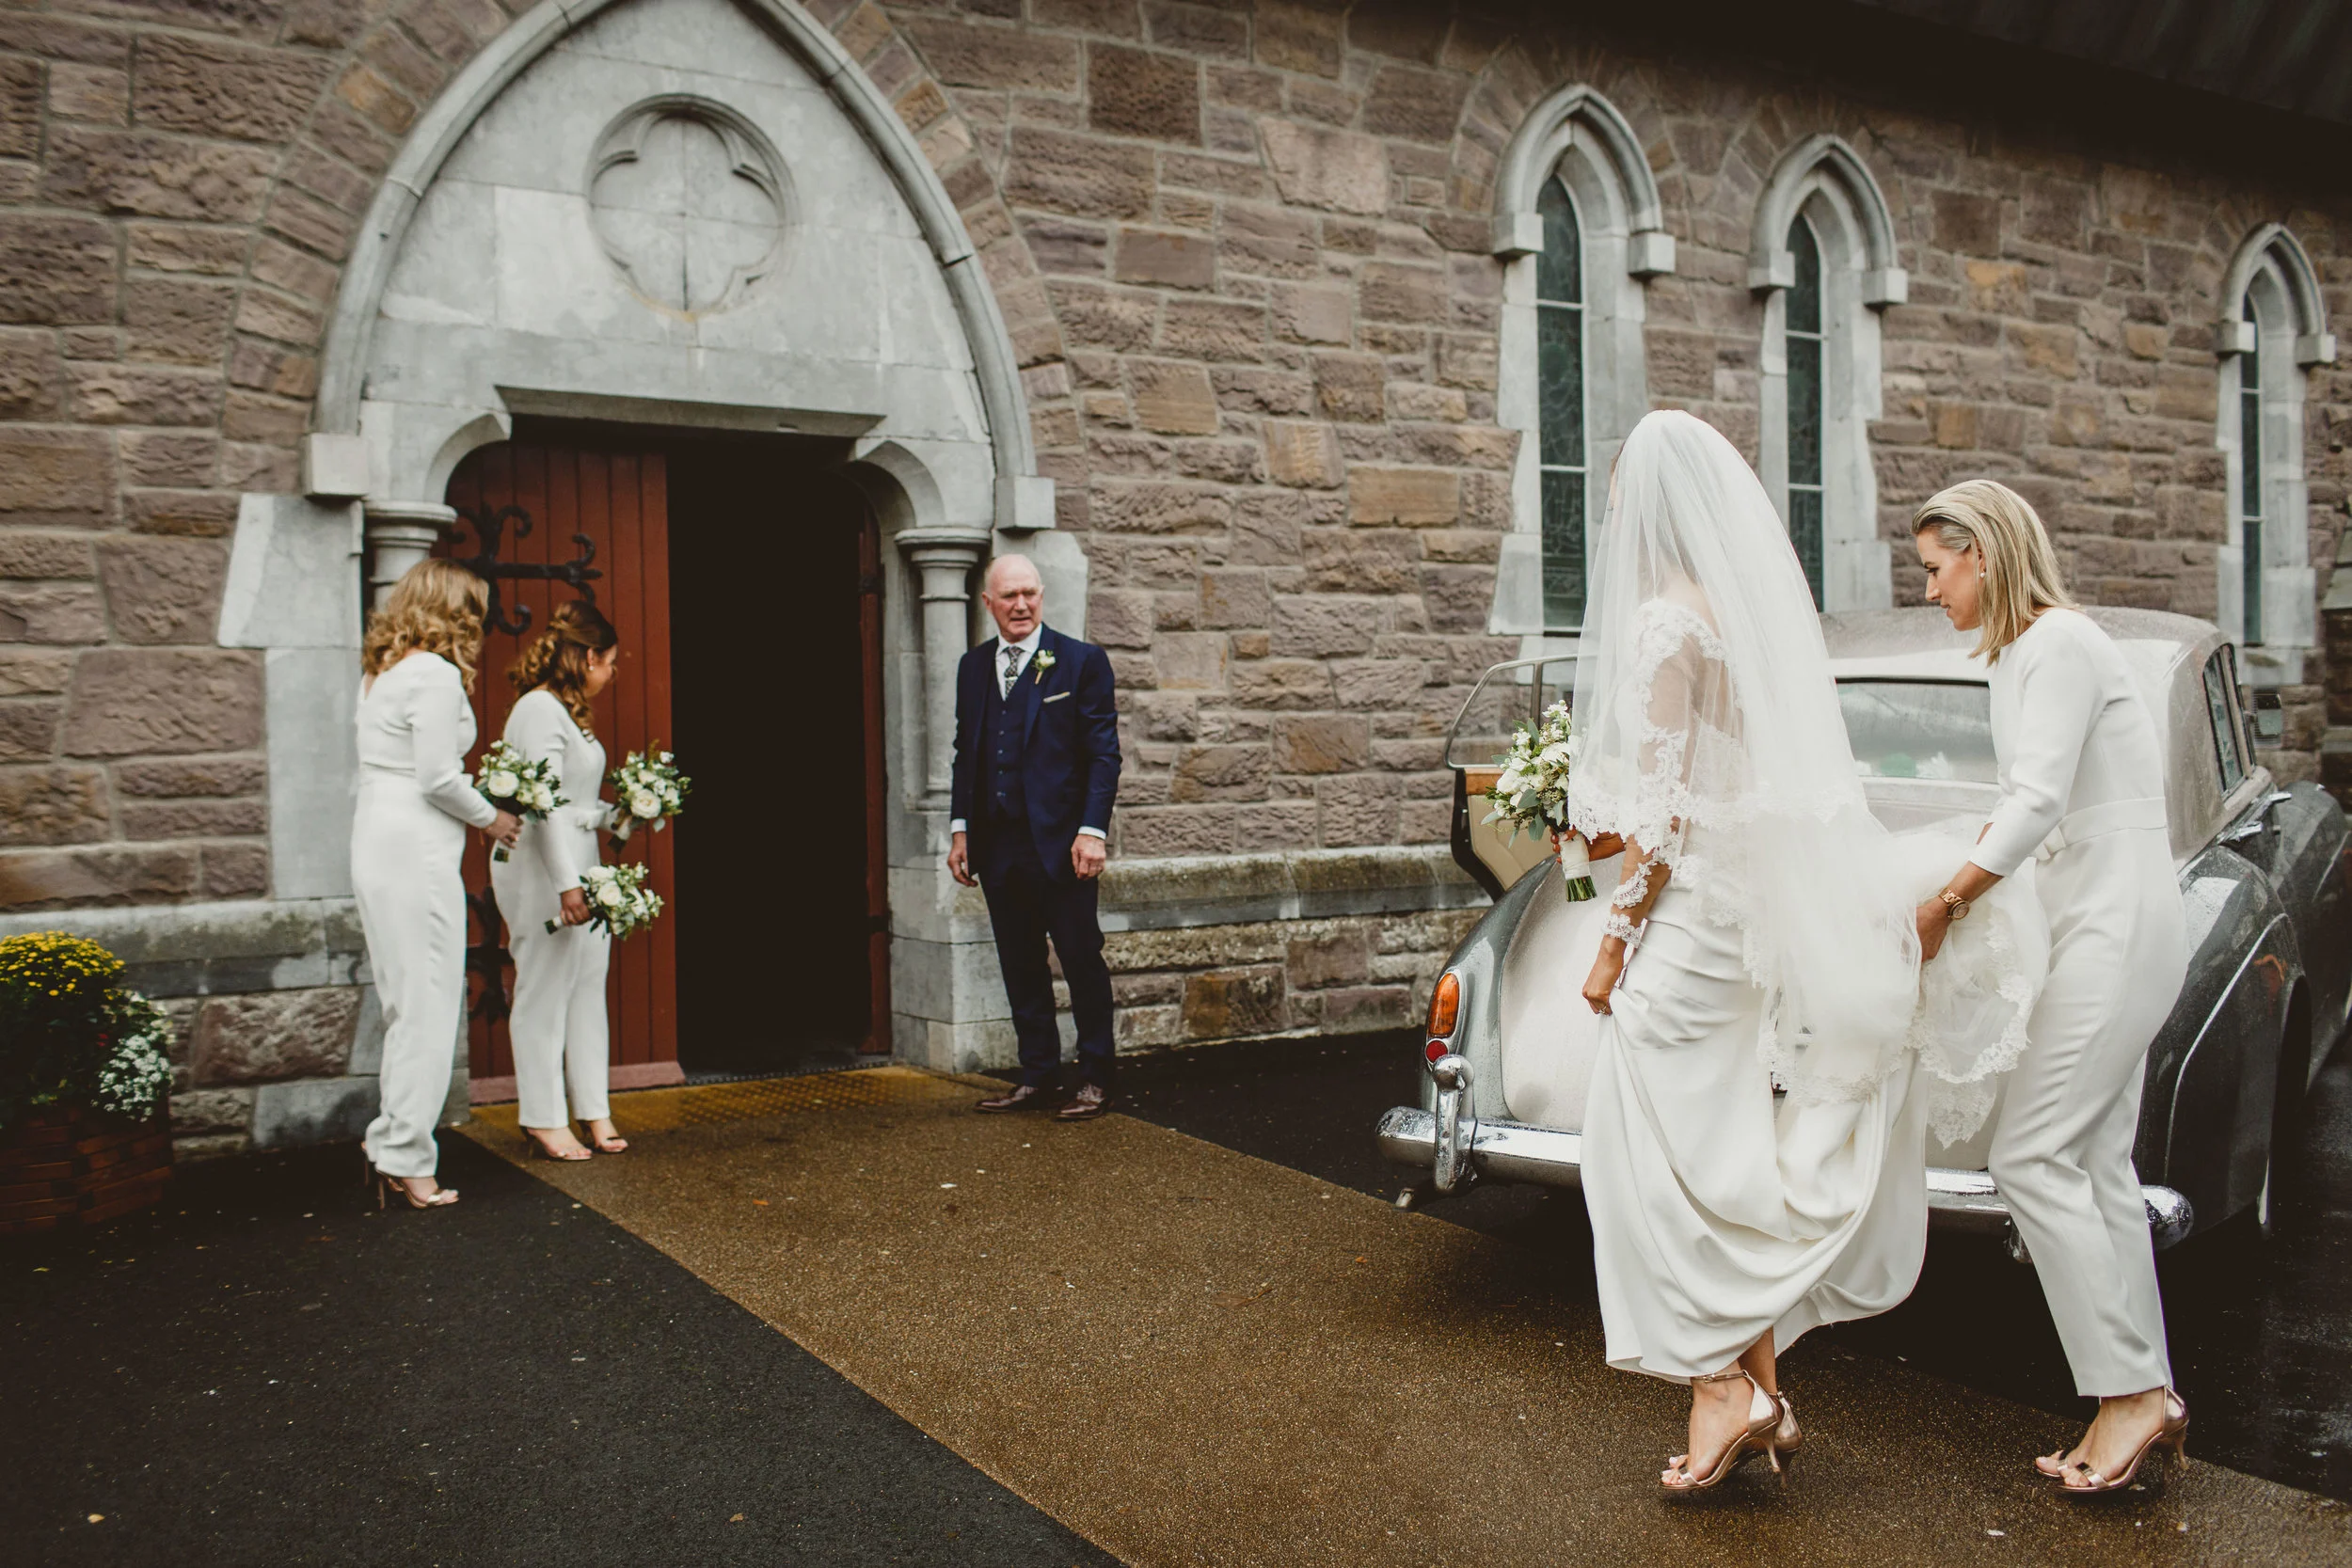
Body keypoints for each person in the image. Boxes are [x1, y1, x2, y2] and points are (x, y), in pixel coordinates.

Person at [1572, 410, 1929, 1491]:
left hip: (1685, 928)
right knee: (1717, 1150)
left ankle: (1721, 1385)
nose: (1612, 506)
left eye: (1623, 487)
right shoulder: (1729, 618)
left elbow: (1666, 817)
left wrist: (1609, 946)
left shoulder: (1658, 629)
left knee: (1640, 1159)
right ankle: (1756, 1392)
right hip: (1739, 924)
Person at [1912, 480, 2190, 1496]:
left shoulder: (2058, 643)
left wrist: (1943, 900)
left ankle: (2129, 1394)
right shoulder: (2021, 655)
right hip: (2093, 918)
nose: (1930, 590)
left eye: (1937, 568)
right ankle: (2143, 1389)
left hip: (2115, 923)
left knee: (2029, 1151)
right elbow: (2023, 801)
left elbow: (2034, 800)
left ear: (1982, 553)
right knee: (2096, 1162)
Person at [353, 560, 519, 1210]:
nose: (479, 624)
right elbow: (438, 778)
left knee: (405, 1004)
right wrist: (495, 818)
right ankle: (408, 1161)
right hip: (416, 848)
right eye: (473, 610)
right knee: (426, 1004)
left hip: (374, 837)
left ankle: (390, 1144)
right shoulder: (437, 674)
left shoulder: (381, 672)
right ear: (455, 612)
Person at [946, 554, 1122, 1120]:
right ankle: (1039, 1075)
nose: (1021, 605)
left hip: (1064, 845)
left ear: (1041, 596)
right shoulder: (973, 668)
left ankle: (1095, 1078)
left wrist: (1092, 831)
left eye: (1030, 594)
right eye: (1010, 596)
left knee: (1079, 958)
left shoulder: (1080, 662)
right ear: (988, 603)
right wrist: (960, 830)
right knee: (1019, 963)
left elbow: (1103, 755)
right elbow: (964, 755)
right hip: (998, 847)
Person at [490, 601, 629, 1162]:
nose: (613, 673)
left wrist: (620, 816)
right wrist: (568, 885)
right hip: (542, 869)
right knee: (544, 989)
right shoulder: (538, 710)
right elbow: (541, 807)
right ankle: (543, 1118)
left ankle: (594, 1108)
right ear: (589, 656)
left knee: (588, 986)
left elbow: (573, 806)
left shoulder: (571, 715)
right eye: (611, 662)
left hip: (584, 861)